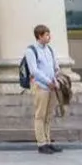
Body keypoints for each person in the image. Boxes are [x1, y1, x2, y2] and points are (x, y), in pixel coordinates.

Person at [20, 24, 62, 155]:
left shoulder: (49, 49)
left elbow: (55, 66)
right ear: (39, 36)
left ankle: (48, 141)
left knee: (49, 115)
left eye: (49, 34)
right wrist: (48, 81)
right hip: (41, 86)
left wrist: (55, 80)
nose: (49, 37)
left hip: (52, 86)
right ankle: (41, 143)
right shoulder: (31, 50)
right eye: (46, 35)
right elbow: (34, 70)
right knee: (40, 115)